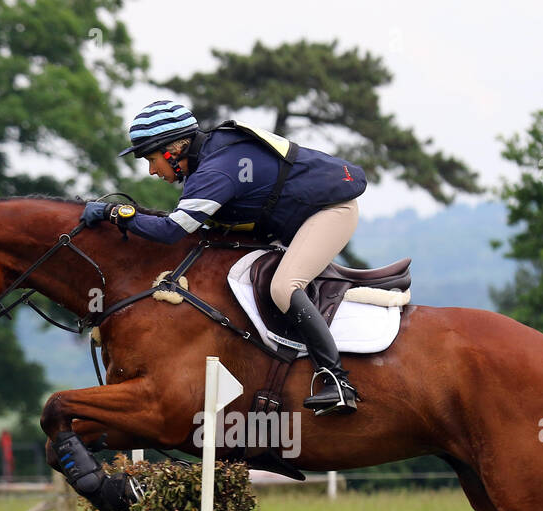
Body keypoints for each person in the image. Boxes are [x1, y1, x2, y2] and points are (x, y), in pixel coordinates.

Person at [82, 100, 367, 415]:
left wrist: (116, 213)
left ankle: (337, 381)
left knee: (284, 287)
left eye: (151, 160)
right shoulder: (208, 162)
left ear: (172, 151)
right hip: (294, 221)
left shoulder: (217, 168)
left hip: (332, 211)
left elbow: (171, 230)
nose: (152, 171)